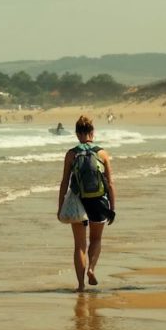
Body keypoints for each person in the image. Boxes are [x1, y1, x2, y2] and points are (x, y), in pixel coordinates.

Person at [57, 115, 115, 292]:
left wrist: (60, 207)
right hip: (98, 201)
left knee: (79, 245)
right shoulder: (102, 153)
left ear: (77, 134)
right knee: (96, 239)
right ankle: (91, 269)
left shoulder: (71, 154)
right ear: (92, 132)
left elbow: (65, 182)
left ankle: (81, 285)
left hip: (78, 202)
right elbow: (110, 183)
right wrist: (113, 208)